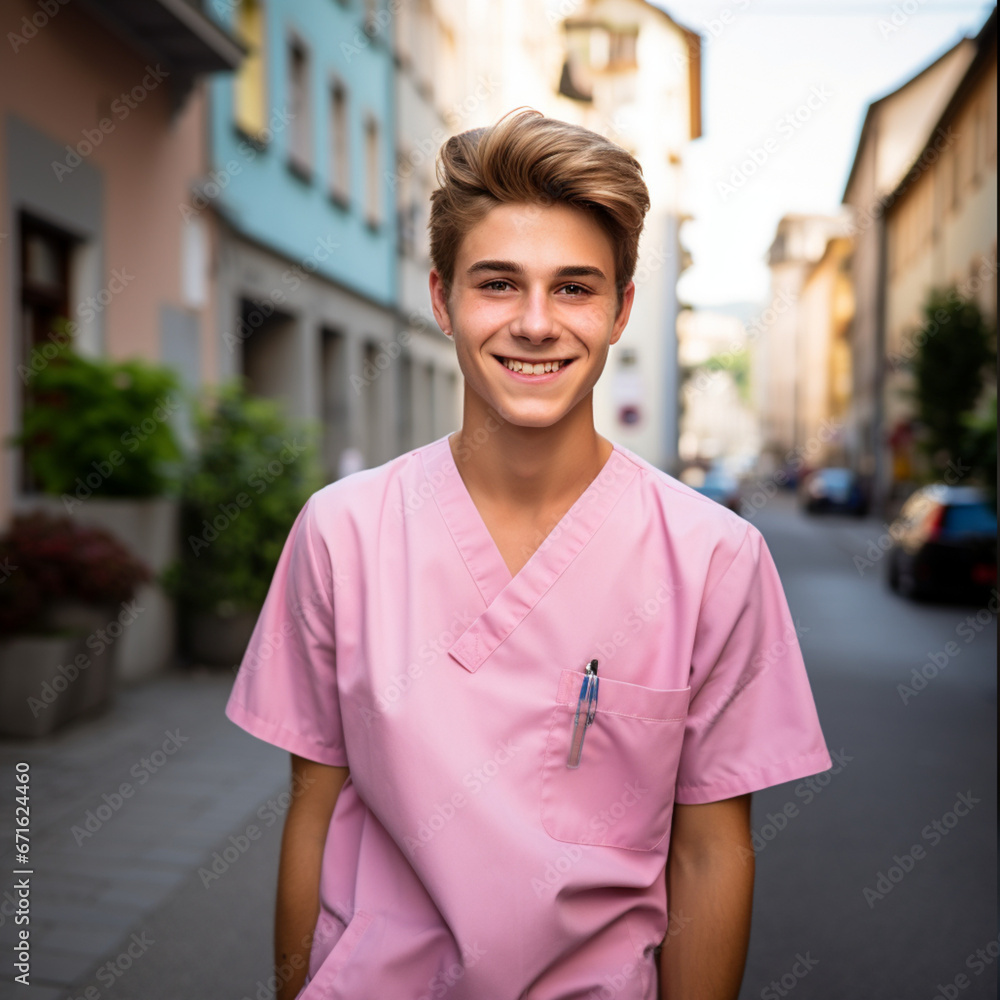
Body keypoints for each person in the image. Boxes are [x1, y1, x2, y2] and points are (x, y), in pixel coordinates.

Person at [225, 108, 833, 1000]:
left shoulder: (713, 559)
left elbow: (709, 853)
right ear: (443, 299)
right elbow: (312, 811)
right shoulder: (340, 532)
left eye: (576, 288)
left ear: (623, 309)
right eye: (499, 284)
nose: (537, 323)